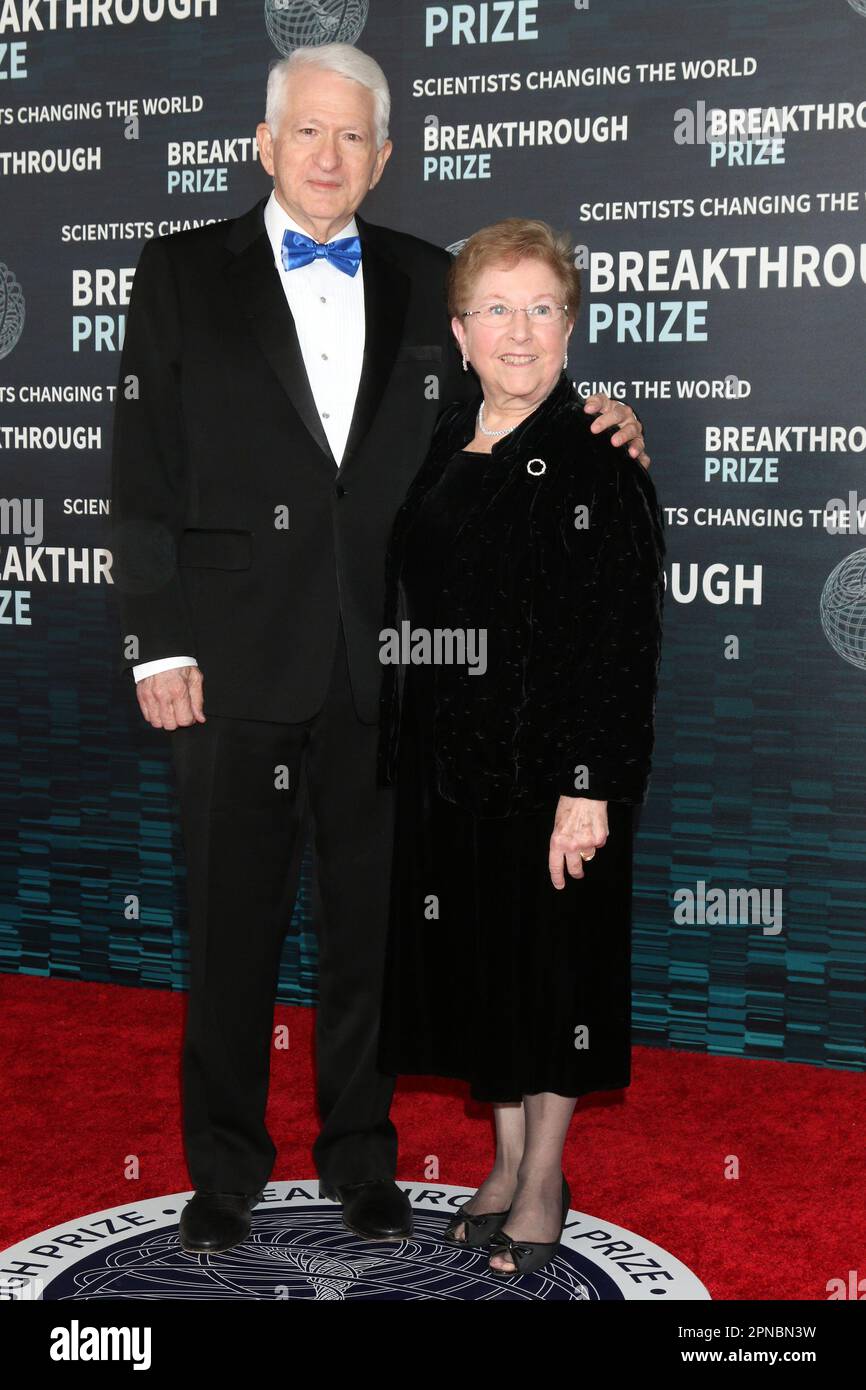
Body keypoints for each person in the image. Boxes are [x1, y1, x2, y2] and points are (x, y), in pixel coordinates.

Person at [110, 44, 651, 1257]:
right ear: (263, 142)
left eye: (353, 137)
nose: (327, 156)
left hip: (389, 680)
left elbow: (507, 409)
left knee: (371, 939)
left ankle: (362, 1159)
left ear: (384, 156)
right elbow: (139, 474)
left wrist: (606, 417)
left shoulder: (423, 279)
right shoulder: (180, 273)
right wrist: (156, 644)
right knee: (230, 935)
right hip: (231, 670)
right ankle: (223, 1173)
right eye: (307, 131)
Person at [376, 218, 666, 1278]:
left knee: (549, 981)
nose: (518, 330)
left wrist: (587, 787)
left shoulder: (597, 455)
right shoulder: (447, 433)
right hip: (451, 772)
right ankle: (499, 1162)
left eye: (540, 308)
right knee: (485, 976)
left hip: (551, 776)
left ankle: (541, 1179)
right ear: (459, 331)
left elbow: (620, 641)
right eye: (495, 308)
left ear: (570, 324)